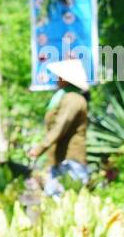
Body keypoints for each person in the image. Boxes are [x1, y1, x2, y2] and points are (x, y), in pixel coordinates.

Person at [27, 58, 91, 197]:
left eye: (58, 75)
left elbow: (59, 127)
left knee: (69, 199)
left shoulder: (73, 99)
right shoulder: (63, 97)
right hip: (59, 158)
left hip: (71, 160)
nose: (55, 78)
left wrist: (39, 149)